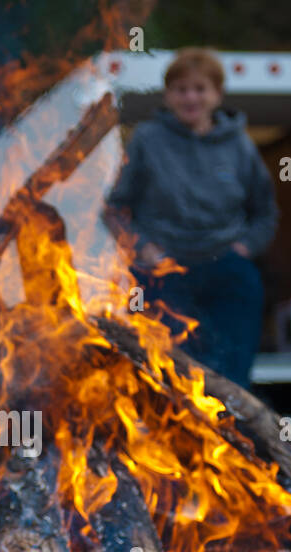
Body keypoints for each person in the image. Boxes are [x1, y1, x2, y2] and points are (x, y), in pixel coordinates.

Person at [103, 47, 278, 388]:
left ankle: (229, 436)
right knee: (165, 374)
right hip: (165, 273)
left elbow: (266, 211)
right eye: (181, 89)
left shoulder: (240, 145)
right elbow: (116, 209)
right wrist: (144, 249)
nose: (190, 97)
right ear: (168, 95)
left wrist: (244, 248)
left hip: (226, 272)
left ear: (217, 94)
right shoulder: (148, 140)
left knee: (232, 375)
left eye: (200, 89)